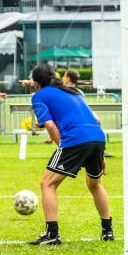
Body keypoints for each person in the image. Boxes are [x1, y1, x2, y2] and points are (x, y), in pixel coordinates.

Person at [27, 63, 114, 245]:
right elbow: (96, 120)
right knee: (95, 184)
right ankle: (108, 231)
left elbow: (49, 125)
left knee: (47, 183)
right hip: (97, 137)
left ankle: (52, 234)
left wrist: (63, 147)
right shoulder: (73, 92)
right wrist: (101, 154)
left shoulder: (38, 96)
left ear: (36, 84)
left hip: (75, 139)